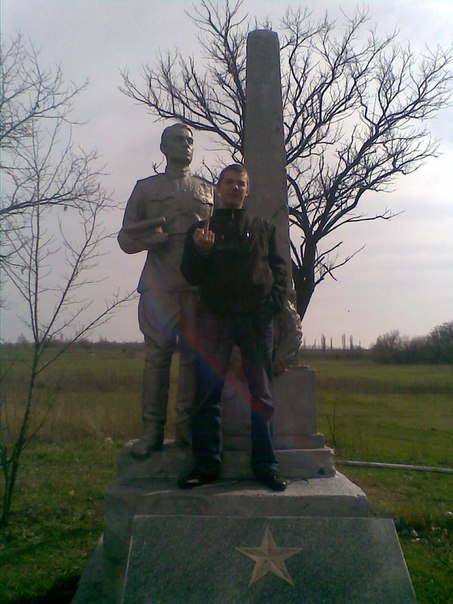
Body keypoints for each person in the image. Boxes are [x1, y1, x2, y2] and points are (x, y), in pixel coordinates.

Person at [178, 164, 288, 491]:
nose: (235, 188)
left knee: (262, 395)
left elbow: (280, 272)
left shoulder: (263, 229)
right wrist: (202, 252)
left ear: (247, 190)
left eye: (241, 183)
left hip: (256, 320)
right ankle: (206, 466)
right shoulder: (201, 230)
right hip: (215, 318)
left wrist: (271, 307)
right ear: (219, 187)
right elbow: (191, 275)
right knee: (207, 393)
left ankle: (266, 467)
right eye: (229, 182)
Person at [118, 123, 214, 457]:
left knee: (191, 361)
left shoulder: (208, 190)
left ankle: (186, 430)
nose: (186, 144)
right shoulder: (145, 189)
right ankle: (151, 432)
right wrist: (150, 239)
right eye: (178, 139)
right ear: (163, 147)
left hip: (195, 289)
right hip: (158, 287)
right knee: (157, 359)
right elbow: (125, 239)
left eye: (190, 140)